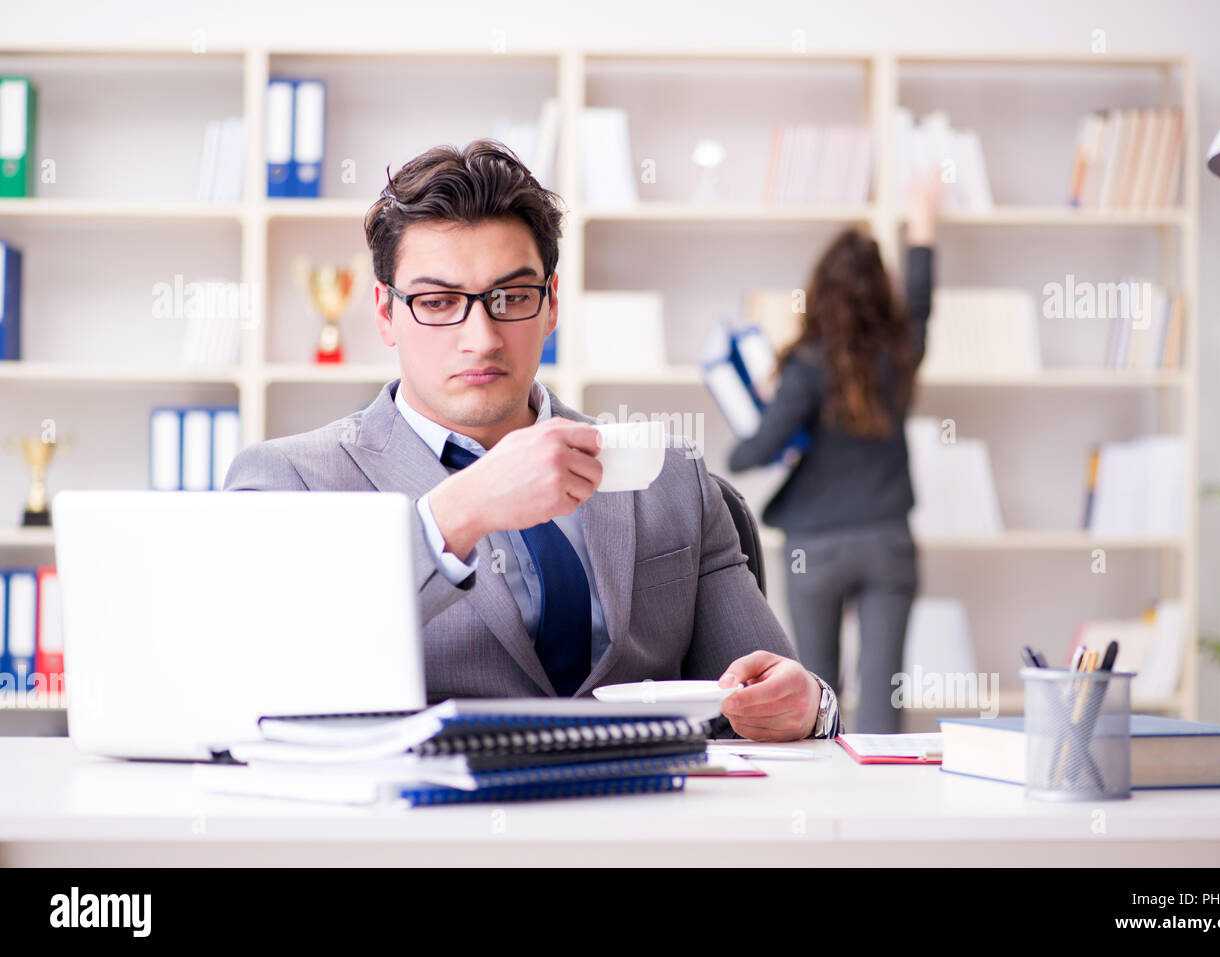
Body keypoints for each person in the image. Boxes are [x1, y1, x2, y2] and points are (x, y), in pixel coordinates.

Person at [223, 139, 840, 742]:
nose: (482, 338)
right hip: (427, 837)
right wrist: (459, 513)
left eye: (511, 297)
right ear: (385, 313)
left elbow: (765, 688)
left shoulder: (670, 476)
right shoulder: (290, 479)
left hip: (643, 834)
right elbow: (257, 682)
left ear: (549, 308)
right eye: (439, 303)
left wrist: (811, 706)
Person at [727, 172, 942, 733]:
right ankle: (883, 808)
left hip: (815, 550)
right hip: (889, 542)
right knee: (883, 691)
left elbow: (754, 452)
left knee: (814, 696)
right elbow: (920, 303)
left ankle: (827, 810)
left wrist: (752, 433)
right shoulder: (902, 352)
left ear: (820, 293)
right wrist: (923, 221)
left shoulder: (805, 367)